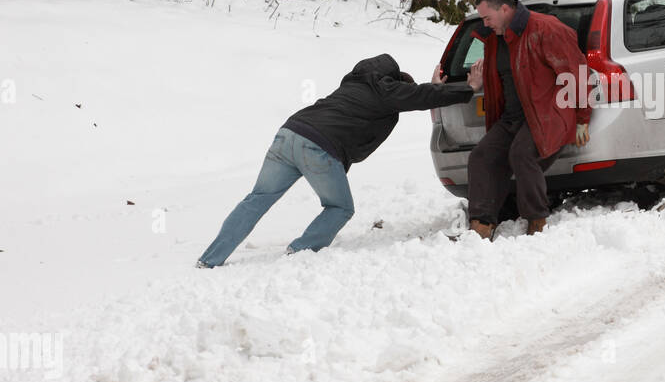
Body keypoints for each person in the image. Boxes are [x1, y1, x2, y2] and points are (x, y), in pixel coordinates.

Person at [197, 54, 474, 267]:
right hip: (318, 144)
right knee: (340, 208)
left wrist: (432, 88)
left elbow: (414, 97)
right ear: (397, 84)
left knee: (256, 199)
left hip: (289, 132)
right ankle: (301, 252)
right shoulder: (385, 90)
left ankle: (210, 258)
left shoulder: (356, 83)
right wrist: (468, 88)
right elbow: (418, 97)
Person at [465, 0, 592, 239]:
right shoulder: (492, 38)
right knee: (480, 157)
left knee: (522, 154)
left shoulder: (545, 29)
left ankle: (537, 220)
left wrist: (582, 118)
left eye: (487, 17)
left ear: (504, 9)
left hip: (547, 113)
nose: (485, 23)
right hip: (512, 117)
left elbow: (576, 72)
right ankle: (481, 225)